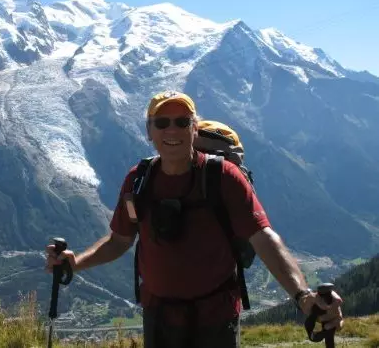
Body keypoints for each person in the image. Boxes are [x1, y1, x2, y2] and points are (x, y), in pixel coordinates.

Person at [46, 90, 344, 348]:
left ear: (195, 128)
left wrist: (303, 296)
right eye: (162, 123)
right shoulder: (138, 182)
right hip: (158, 317)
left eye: (181, 122)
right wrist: (76, 263)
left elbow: (263, 237)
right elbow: (120, 240)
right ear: (149, 132)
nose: (171, 130)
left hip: (216, 318)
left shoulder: (224, 178)